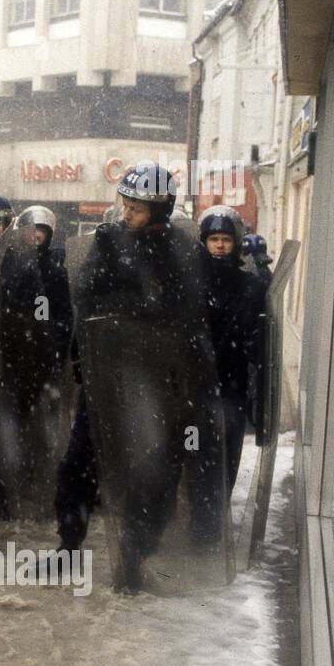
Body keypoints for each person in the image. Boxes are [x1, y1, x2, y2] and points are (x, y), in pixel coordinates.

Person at [59, 163, 222, 591]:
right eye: (125, 205)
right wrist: (83, 354)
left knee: (153, 474)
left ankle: (137, 554)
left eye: (137, 208)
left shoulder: (183, 252)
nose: (127, 214)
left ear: (160, 209)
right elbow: (87, 297)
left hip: (159, 384)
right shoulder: (109, 241)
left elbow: (191, 318)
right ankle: (69, 544)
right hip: (107, 377)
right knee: (79, 464)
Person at [0, 205, 72, 520]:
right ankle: (3, 493)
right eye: (32, 229)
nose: (37, 235)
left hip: (41, 361)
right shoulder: (7, 263)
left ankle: (33, 487)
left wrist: (55, 349)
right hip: (10, 360)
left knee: (38, 430)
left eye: (42, 230)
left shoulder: (55, 270)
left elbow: (62, 316)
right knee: (7, 428)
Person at [199, 205, 267, 487]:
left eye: (225, 239)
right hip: (197, 384)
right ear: (204, 242)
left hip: (232, 383)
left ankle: (218, 511)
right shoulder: (193, 281)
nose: (219, 245)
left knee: (228, 450)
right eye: (213, 239)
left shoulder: (249, 285)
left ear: (235, 243)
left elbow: (259, 331)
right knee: (196, 449)